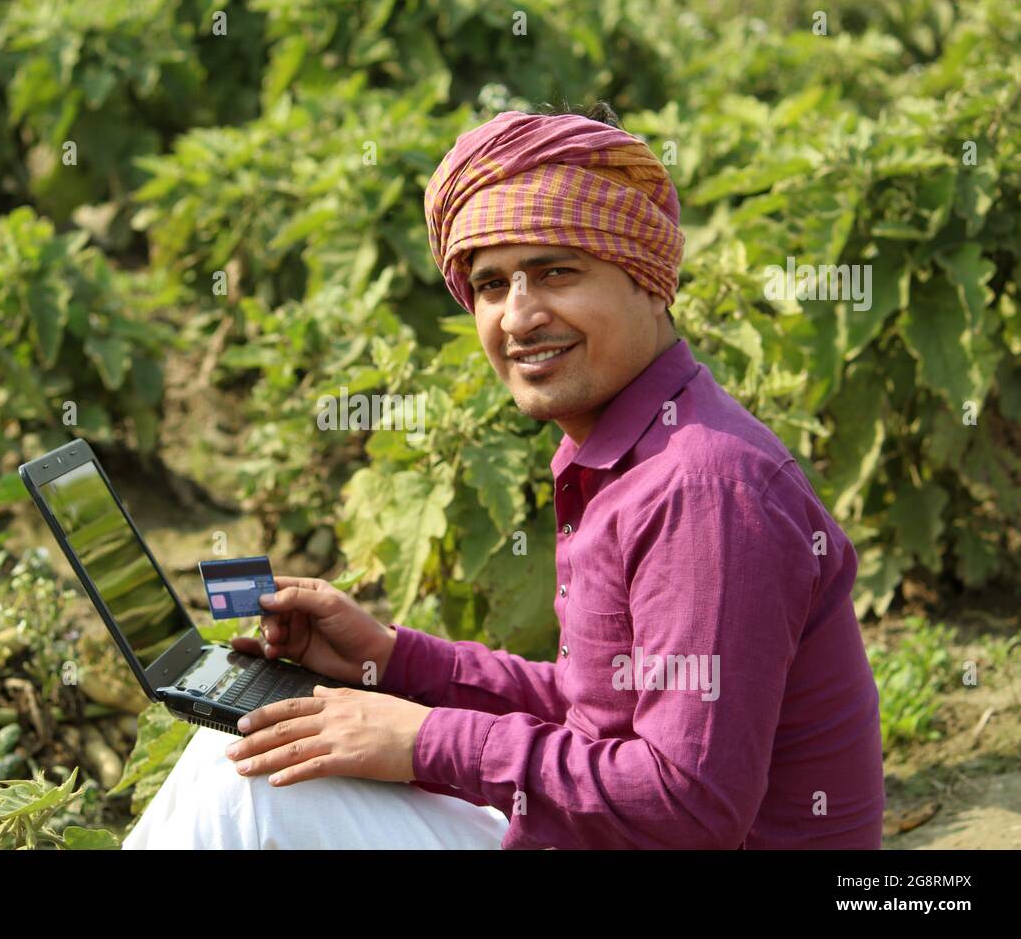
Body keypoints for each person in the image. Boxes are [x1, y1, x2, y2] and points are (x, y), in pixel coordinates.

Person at [123, 105, 885, 850]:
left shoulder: (704, 488)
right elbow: (598, 716)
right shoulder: (643, 449)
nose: (519, 318)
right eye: (491, 285)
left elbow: (687, 805)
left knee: (246, 781)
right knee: (249, 755)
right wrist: (390, 660)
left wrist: (426, 739)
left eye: (556, 272)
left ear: (650, 281)